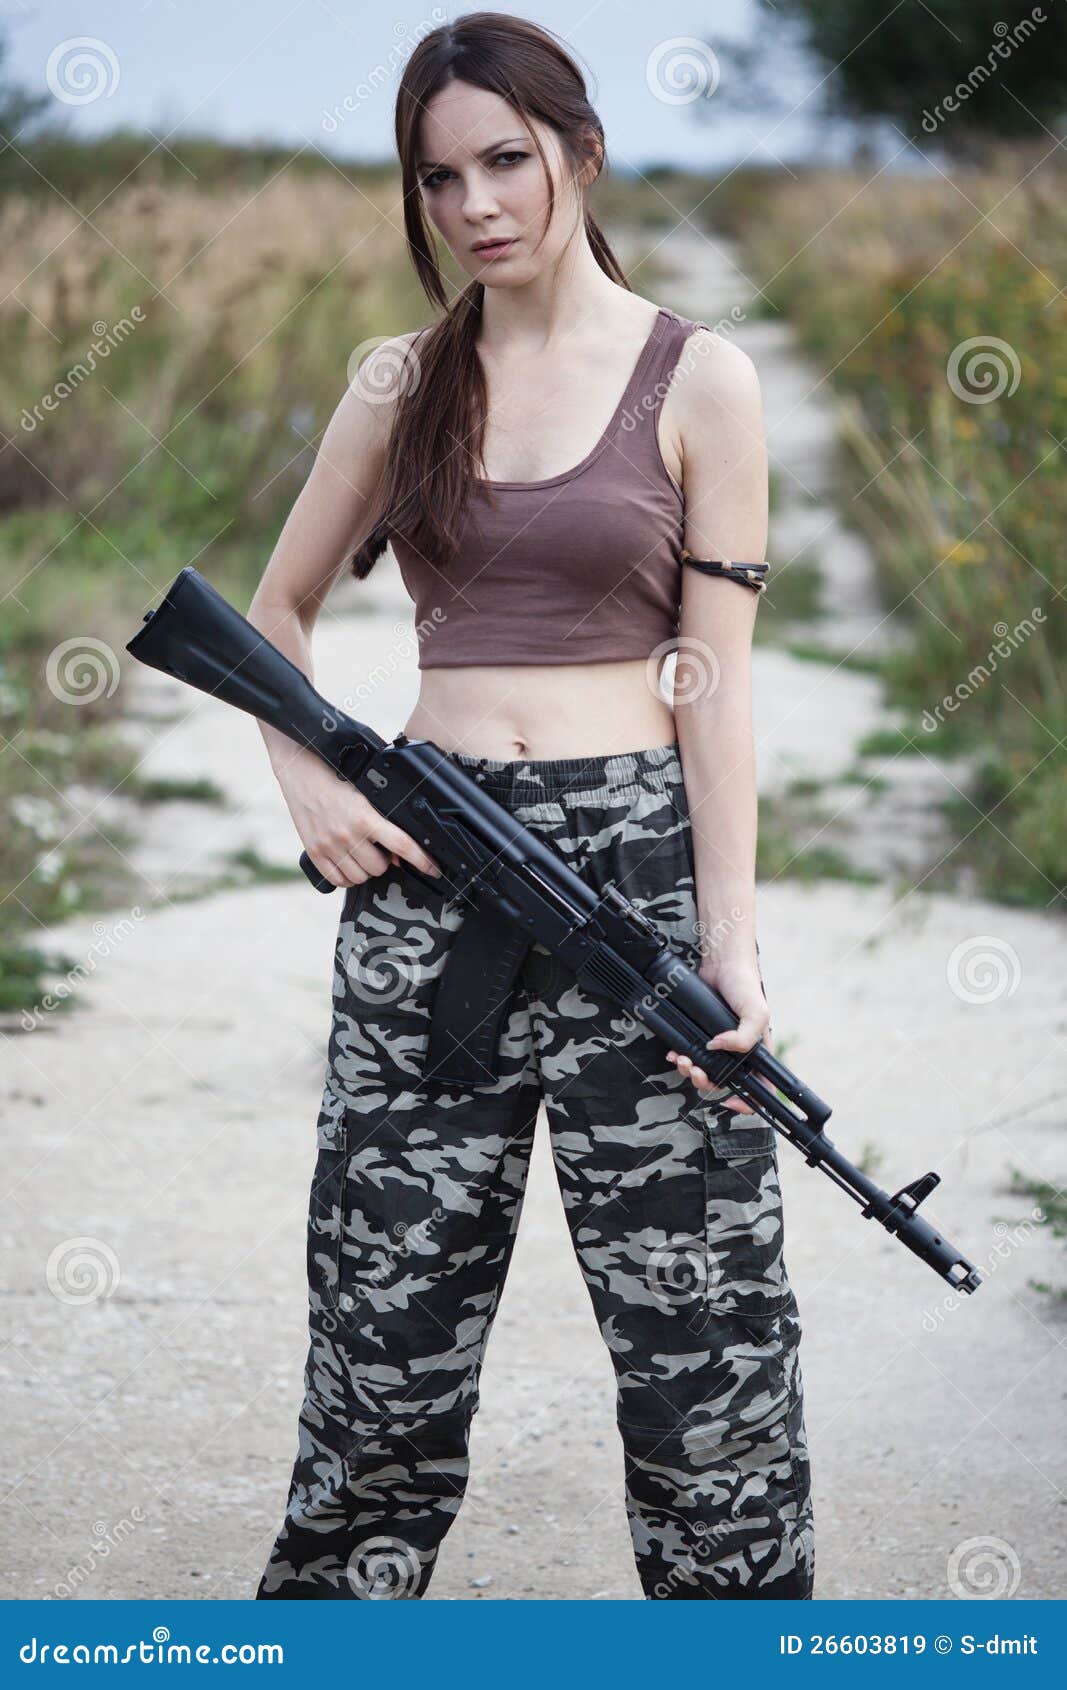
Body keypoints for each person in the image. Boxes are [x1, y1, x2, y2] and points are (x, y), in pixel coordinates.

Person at [247, 11, 814, 1600]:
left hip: (630, 874)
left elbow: (717, 679)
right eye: (440, 178)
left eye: (508, 159)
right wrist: (309, 780)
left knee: (707, 1366)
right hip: (429, 877)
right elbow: (275, 616)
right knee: (383, 1351)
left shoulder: (701, 377)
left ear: (581, 152)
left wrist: (735, 946)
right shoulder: (403, 379)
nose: (478, 204)